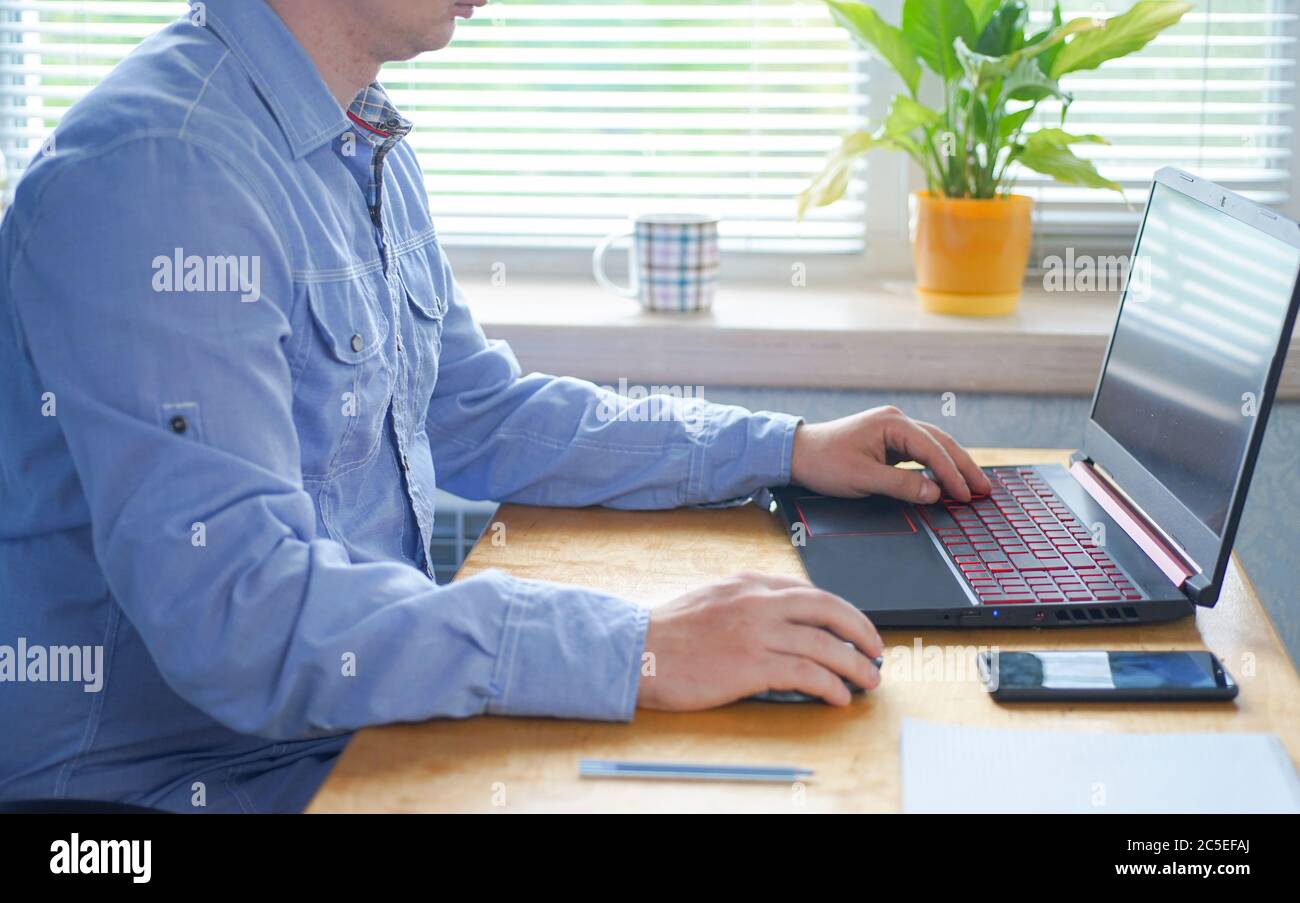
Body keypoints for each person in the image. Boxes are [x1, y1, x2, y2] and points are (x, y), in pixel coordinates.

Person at [0, 0, 990, 812]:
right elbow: (237, 616)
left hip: (337, 736)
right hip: (156, 790)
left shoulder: (351, 133)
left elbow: (479, 414)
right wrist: (638, 648)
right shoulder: (162, 173)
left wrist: (785, 447)